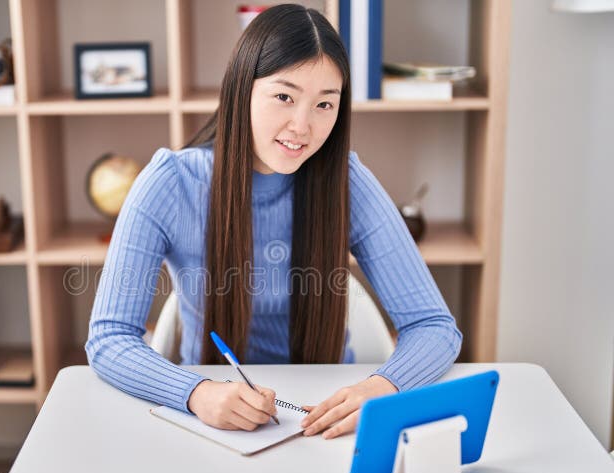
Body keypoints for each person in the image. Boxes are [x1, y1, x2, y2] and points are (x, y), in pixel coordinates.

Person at [85, 4, 462, 440]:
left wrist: (382, 386)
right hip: (212, 416)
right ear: (241, 89)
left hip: (322, 416)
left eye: (324, 104)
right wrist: (197, 392)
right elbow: (109, 338)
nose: (301, 126)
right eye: (284, 97)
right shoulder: (170, 183)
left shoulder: (347, 180)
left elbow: (434, 327)